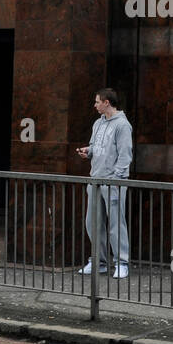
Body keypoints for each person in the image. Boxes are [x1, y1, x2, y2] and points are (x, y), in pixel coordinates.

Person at [76, 88, 132, 278]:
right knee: (92, 223)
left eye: (97, 101)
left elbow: (125, 156)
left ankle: (121, 262)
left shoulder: (122, 125)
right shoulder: (98, 123)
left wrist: (116, 179)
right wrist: (88, 151)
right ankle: (98, 262)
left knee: (116, 223)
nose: (95, 105)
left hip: (112, 182)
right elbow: (95, 146)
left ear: (107, 102)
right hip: (95, 179)